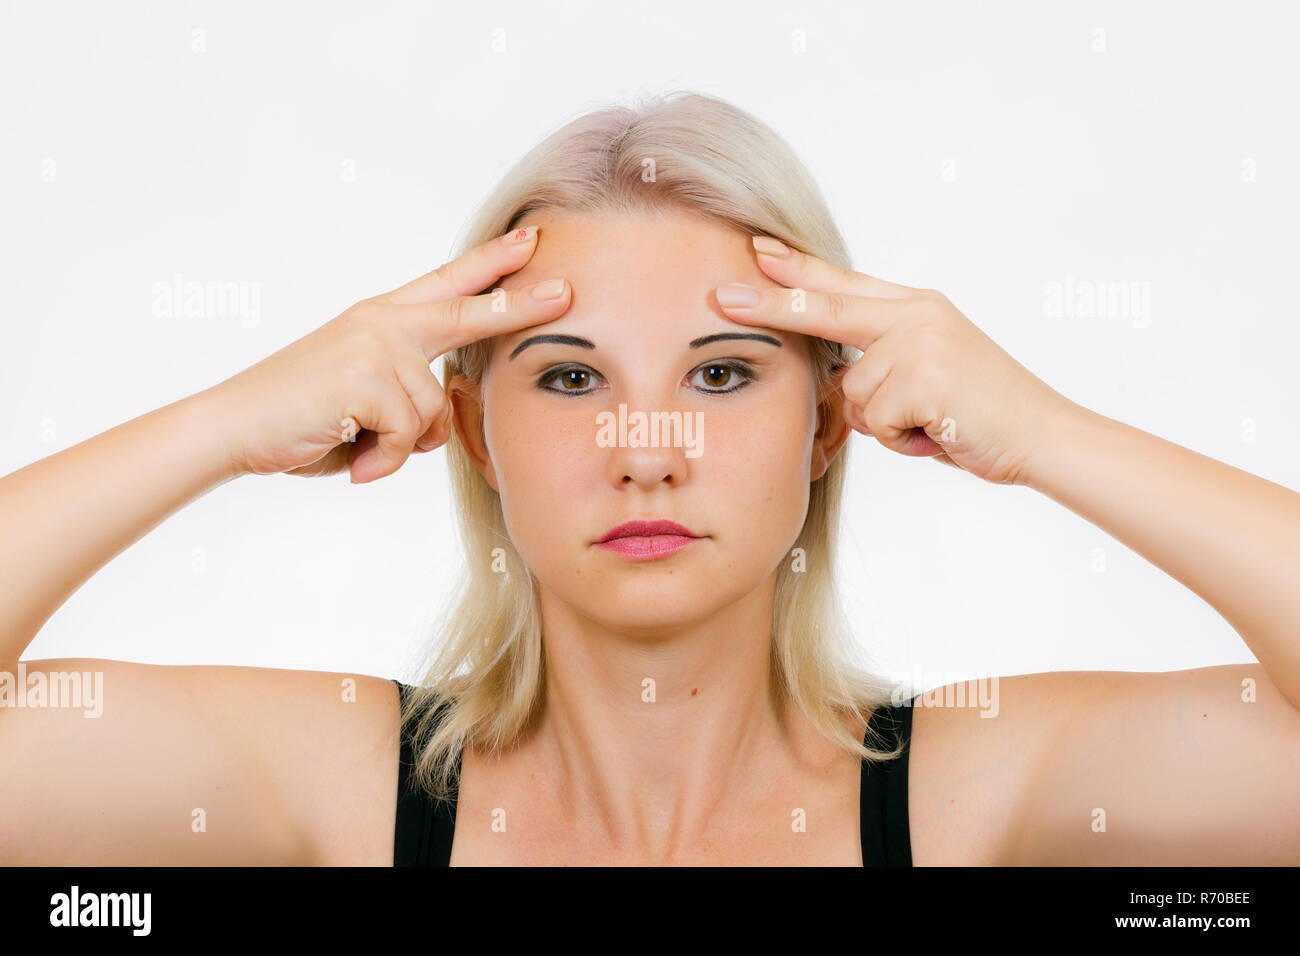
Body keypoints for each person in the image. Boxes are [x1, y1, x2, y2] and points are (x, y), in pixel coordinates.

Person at [2, 91, 1298, 865]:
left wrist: (1050, 433)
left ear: (830, 420)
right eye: (570, 379)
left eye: (723, 374)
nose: (646, 447)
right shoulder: (341, 786)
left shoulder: (973, 794)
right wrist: (223, 422)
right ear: (473, 425)